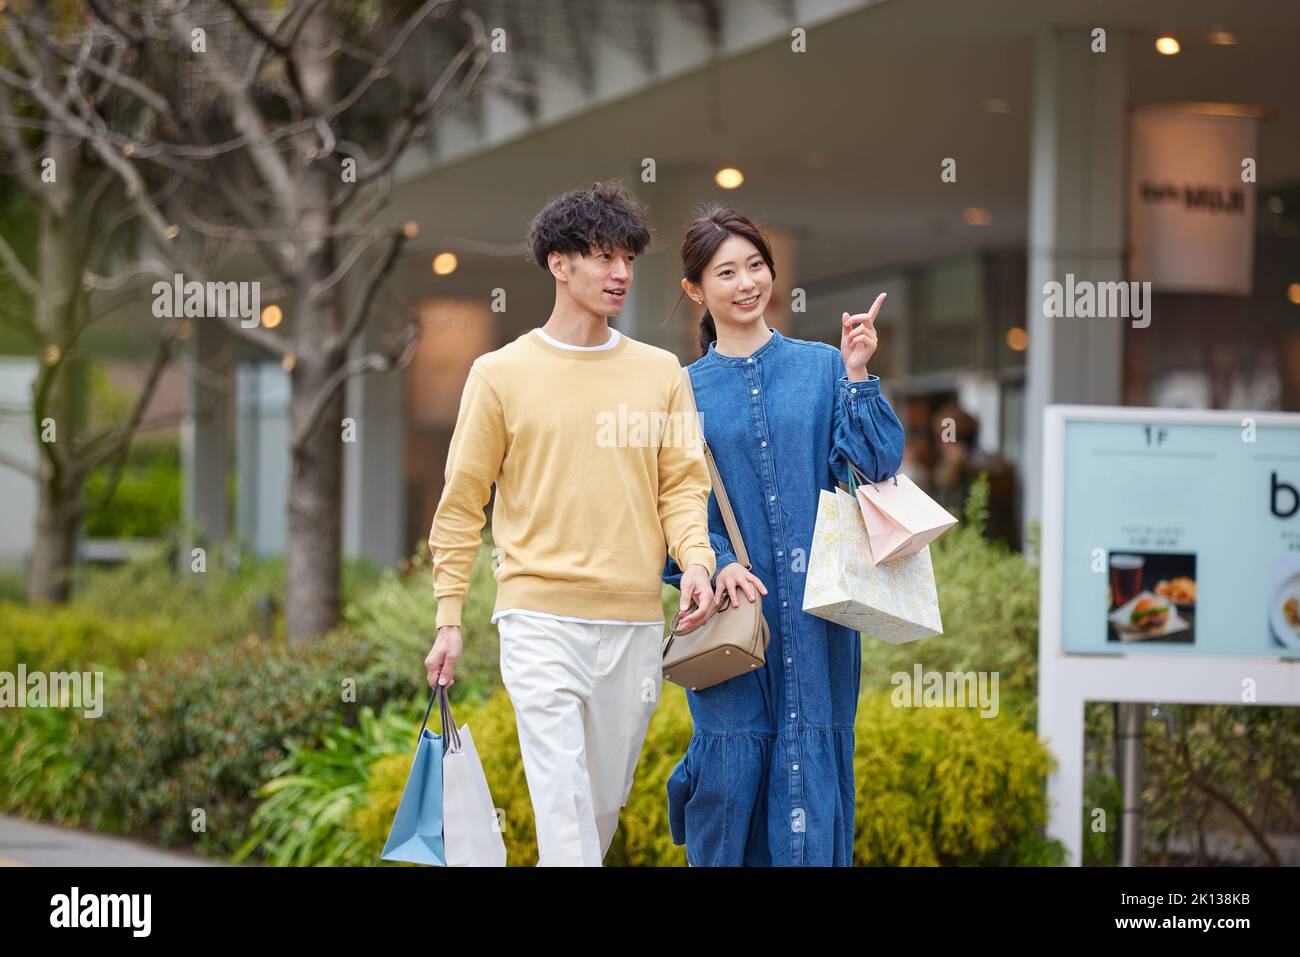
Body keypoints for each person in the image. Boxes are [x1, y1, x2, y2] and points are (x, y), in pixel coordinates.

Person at [425, 181, 718, 866]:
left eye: (628, 259)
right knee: (561, 807)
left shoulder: (659, 373)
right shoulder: (499, 374)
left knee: (599, 808)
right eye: (602, 256)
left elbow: (681, 484)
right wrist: (447, 615)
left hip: (634, 623)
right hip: (538, 617)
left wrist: (697, 560)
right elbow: (462, 502)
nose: (619, 273)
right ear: (560, 263)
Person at [662, 205, 905, 866]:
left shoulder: (822, 367)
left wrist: (858, 374)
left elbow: (878, 466)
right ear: (695, 289)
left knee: (810, 769)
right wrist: (710, 564)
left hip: (817, 616)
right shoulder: (678, 391)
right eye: (727, 271)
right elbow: (666, 508)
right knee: (731, 775)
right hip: (732, 618)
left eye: (756, 266)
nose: (747, 283)